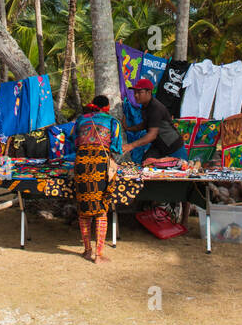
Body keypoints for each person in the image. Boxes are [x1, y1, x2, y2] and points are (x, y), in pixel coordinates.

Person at [72, 96, 118, 263]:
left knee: (84, 210)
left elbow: (73, 142)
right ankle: (98, 255)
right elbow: (116, 146)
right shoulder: (113, 122)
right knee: (101, 209)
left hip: (82, 164)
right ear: (106, 107)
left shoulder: (80, 120)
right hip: (100, 165)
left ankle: (87, 250)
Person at [127, 78, 187, 161]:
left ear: (149, 92)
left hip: (173, 146)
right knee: (146, 164)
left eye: (139, 92)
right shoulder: (145, 106)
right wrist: (129, 129)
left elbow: (152, 135)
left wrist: (131, 145)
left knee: (180, 169)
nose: (136, 95)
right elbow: (146, 124)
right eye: (135, 92)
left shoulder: (155, 108)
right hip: (159, 146)